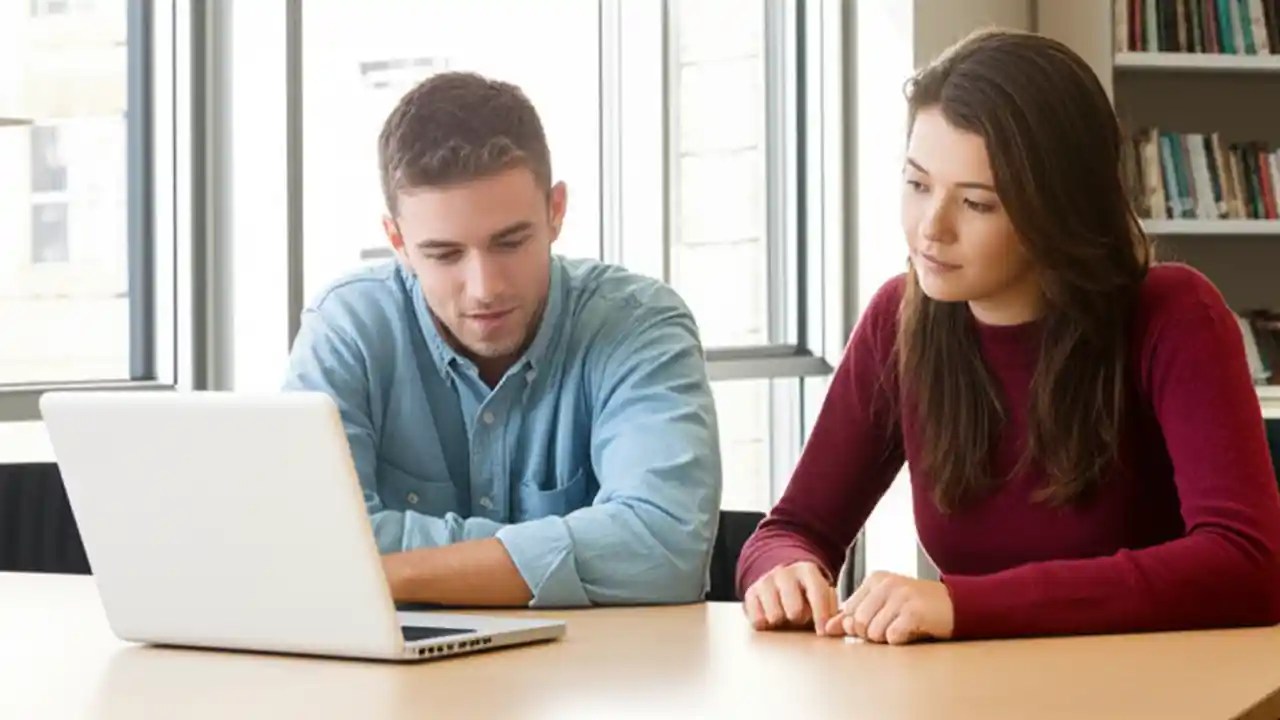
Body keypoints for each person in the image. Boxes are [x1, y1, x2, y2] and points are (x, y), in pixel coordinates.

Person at [737, 28, 1280, 644]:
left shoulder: (1173, 313)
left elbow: (1247, 567)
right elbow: (794, 527)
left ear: (1058, 209)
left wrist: (964, 606)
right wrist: (783, 569)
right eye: (917, 185)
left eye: (976, 203)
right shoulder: (898, 318)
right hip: (982, 696)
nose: (930, 230)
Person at [285, 71, 721, 608]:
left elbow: (663, 548)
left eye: (511, 242)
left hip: (601, 684)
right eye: (444, 255)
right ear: (397, 241)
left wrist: (390, 572)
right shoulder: (347, 328)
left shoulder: (638, 325)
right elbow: (306, 548)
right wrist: (567, 551)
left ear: (555, 211)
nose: (485, 288)